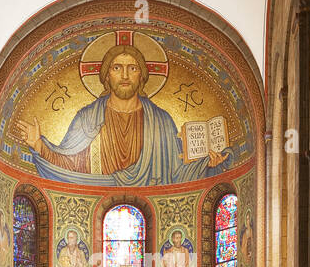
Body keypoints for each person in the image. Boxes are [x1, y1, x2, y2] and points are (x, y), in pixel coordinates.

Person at [13, 43, 232, 186]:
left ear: (142, 76)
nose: (125, 75)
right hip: (95, 202)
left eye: (133, 68)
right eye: (117, 68)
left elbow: (176, 174)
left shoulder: (162, 121)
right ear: (106, 76)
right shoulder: (88, 118)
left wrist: (207, 164)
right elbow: (70, 165)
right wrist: (39, 145)